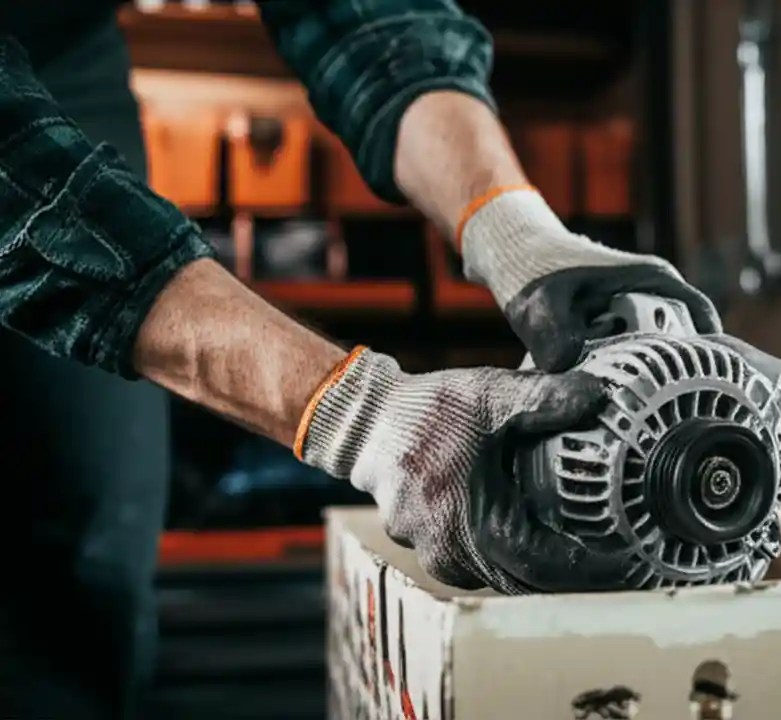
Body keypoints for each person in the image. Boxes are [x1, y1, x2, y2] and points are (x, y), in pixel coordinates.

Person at [0, 1, 721, 717]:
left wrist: (514, 230)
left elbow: (371, 16)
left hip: (66, 40)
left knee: (90, 521)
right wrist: (361, 415)